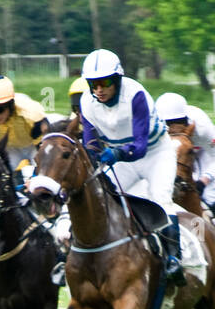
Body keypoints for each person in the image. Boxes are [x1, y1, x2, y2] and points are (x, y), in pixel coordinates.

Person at [73, 47, 184, 285]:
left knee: (160, 198)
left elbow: (140, 146)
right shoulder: (86, 102)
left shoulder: (136, 95)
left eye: (104, 83)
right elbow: (90, 142)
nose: (99, 90)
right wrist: (94, 156)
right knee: (101, 197)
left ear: (117, 80)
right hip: (120, 157)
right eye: (93, 84)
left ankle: (174, 258)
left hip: (155, 153)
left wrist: (115, 153)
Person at [154, 91, 215, 225]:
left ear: (186, 120)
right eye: (167, 123)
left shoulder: (203, 128)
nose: (171, 128)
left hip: (201, 150)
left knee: (208, 195)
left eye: (175, 122)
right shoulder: (153, 127)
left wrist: (203, 181)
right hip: (173, 153)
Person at [0, 75, 51, 178]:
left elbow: (44, 150)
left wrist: (36, 177)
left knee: (45, 173)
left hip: (34, 146)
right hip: (9, 149)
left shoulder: (33, 114)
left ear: (10, 105)